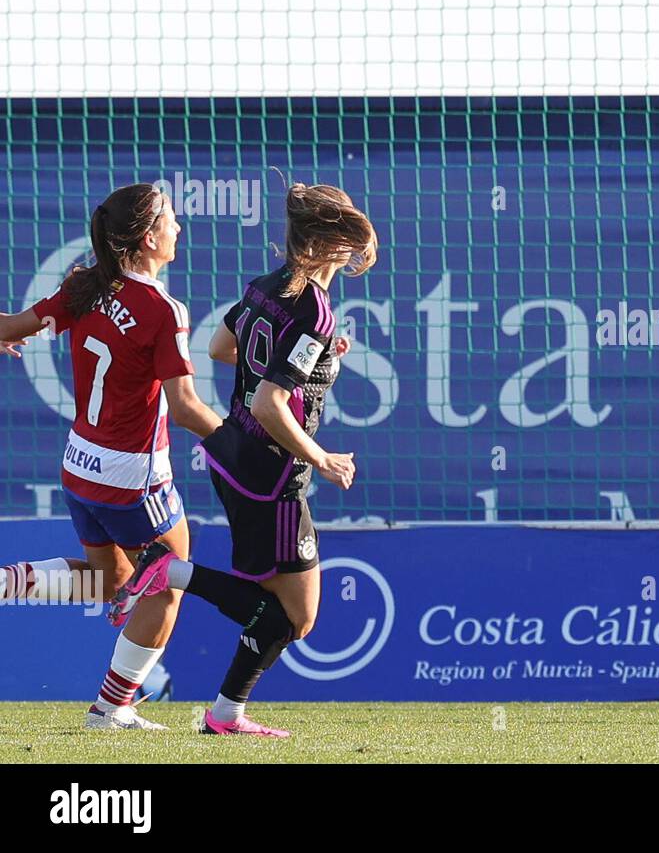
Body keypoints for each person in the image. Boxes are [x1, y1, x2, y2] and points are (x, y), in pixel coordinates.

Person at [112, 182, 377, 737]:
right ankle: (173, 574)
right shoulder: (315, 310)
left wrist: (317, 356)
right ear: (333, 243)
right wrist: (321, 456)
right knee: (296, 618)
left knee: (275, 611)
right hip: (272, 474)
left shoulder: (269, 286)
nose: (357, 251)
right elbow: (270, 401)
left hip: (233, 456)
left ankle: (225, 710)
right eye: (352, 239)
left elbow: (220, 347)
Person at [0, 183, 222, 729]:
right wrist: (249, 446)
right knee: (167, 586)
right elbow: (186, 406)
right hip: (133, 480)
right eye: (171, 220)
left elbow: (10, 328)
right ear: (149, 238)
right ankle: (111, 707)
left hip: (79, 467)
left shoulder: (86, 286)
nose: (178, 228)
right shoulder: (161, 309)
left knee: (110, 582)